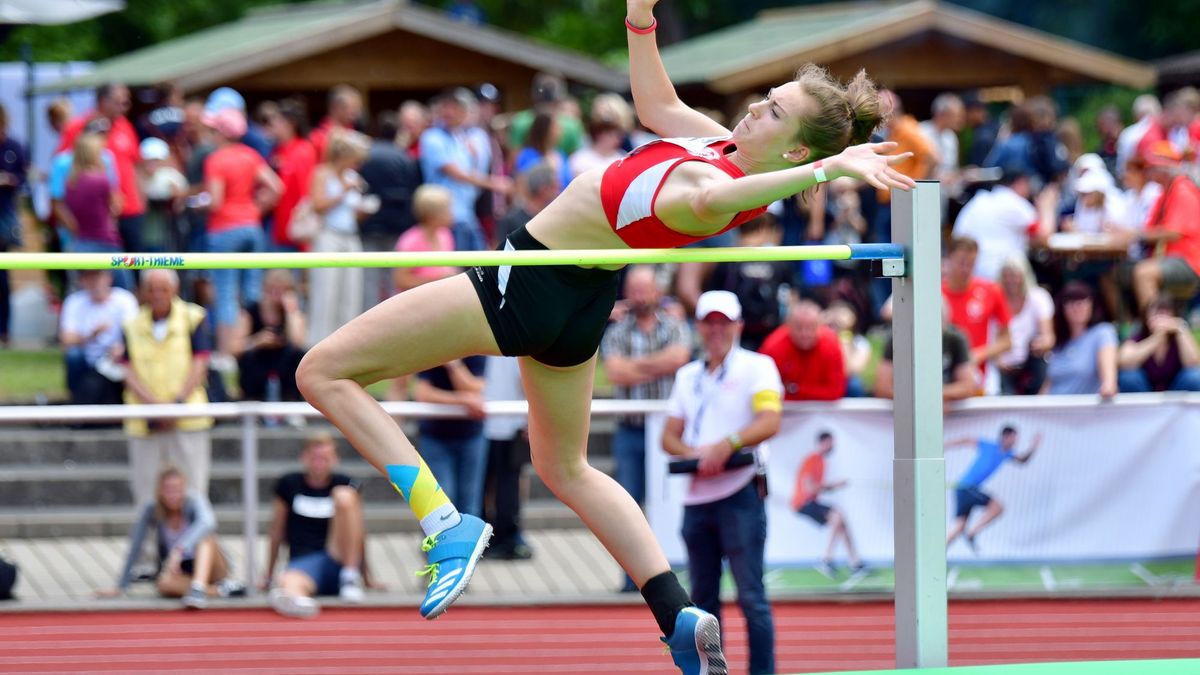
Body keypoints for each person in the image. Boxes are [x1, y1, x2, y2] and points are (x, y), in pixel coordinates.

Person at [294, 0, 911, 669]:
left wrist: (829, 170)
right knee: (565, 466)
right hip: (581, 300)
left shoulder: (715, 184)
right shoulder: (722, 146)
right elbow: (657, 105)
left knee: (321, 372)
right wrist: (639, 18)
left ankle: (444, 523)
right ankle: (677, 612)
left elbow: (710, 200)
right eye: (766, 97)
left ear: (793, 149)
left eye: (772, 110)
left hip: (524, 281)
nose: (756, 107)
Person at [661, 291, 782, 675]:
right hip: (698, 498)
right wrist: (699, 454)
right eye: (709, 322)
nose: (716, 330)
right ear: (698, 327)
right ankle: (713, 671)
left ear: (739, 326)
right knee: (702, 602)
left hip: (740, 493)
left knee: (752, 596)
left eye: (724, 322)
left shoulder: (758, 366)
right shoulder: (688, 375)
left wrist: (725, 446)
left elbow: (769, 421)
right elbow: (669, 437)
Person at [600, 264, 692, 591]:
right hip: (630, 430)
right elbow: (615, 372)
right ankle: (632, 579)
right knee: (628, 505)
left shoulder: (674, 325)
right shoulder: (617, 331)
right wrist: (657, 365)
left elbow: (680, 358)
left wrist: (635, 367)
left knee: (668, 501)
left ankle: (673, 571)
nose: (640, 296)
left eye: (645, 289)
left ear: (657, 291)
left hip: (666, 433)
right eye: (634, 289)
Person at [120, 269, 214, 507]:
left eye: (163, 288)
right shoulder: (131, 324)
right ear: (143, 292)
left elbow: (200, 364)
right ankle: (149, 545)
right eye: (151, 289)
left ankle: (196, 543)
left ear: (175, 289)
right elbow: (127, 370)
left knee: (194, 491)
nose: (157, 294)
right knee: (146, 493)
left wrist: (177, 404)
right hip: (145, 418)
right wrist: (154, 406)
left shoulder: (194, 317)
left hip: (187, 417)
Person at [202, 107, 283, 362]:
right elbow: (276, 188)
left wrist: (194, 203)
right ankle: (257, 348)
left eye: (213, 130)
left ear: (221, 134)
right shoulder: (251, 155)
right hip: (252, 228)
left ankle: (227, 355)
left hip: (224, 230)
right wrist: (255, 210)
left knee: (225, 292)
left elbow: (214, 202)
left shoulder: (216, 159)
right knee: (252, 293)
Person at [98, 467, 241, 608]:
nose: (173, 494)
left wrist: (180, 549)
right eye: (168, 489)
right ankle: (219, 590)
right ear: (160, 491)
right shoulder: (152, 509)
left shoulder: (194, 501)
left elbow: (208, 522)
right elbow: (136, 545)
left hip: (211, 564)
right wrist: (121, 585)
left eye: (177, 489)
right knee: (163, 584)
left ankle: (198, 588)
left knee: (204, 537)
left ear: (184, 489)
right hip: (183, 570)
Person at [264, 434, 369, 618]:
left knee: (344, 495)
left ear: (335, 460)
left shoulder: (345, 483)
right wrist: (268, 575)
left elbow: (358, 531)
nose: (319, 463)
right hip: (305, 561)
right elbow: (276, 530)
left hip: (338, 556)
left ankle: (350, 578)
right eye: (315, 458)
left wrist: (367, 577)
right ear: (304, 457)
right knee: (288, 582)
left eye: (325, 458)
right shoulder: (289, 484)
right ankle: (299, 599)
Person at [56, 83, 146, 254]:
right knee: (98, 274)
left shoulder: (125, 126)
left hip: (130, 210)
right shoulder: (77, 128)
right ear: (104, 101)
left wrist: (142, 202)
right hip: (94, 221)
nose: (126, 107)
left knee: (133, 268)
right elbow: (62, 169)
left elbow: (136, 166)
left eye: (127, 102)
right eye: (121, 102)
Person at [420, 88, 511, 252]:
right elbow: (455, 172)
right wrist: (494, 183)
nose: (450, 112)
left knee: (480, 268)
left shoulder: (464, 137)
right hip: (445, 219)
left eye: (456, 108)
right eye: (447, 107)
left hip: (467, 214)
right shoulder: (432, 137)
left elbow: (472, 170)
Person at [306, 130, 372, 347]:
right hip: (328, 236)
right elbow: (318, 206)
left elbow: (353, 213)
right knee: (326, 293)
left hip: (350, 237)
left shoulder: (353, 177)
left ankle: (347, 346)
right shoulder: (322, 173)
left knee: (350, 293)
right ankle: (318, 344)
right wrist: (343, 190)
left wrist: (364, 209)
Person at [360, 109, 422, 309]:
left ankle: (367, 320)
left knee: (369, 277)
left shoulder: (367, 154)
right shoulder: (404, 157)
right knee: (392, 277)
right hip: (397, 224)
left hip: (369, 224)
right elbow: (414, 191)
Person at [945, 426, 1040, 553]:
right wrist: (944, 445)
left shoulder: (1008, 454)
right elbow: (966, 440)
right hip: (966, 487)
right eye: (1013, 438)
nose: (1015, 442)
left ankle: (937, 555)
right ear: (1004, 437)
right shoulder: (988, 445)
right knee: (998, 508)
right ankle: (972, 533)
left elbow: (1023, 460)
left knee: (959, 527)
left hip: (963, 489)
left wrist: (1033, 446)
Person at [1130, 141, 1200, 313]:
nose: (1147, 172)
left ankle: (1157, 328)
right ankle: (1139, 325)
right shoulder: (1164, 192)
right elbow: (1150, 228)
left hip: (1189, 261)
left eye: (1151, 167)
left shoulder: (1183, 189)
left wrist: (1136, 234)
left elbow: (1172, 232)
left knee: (1143, 273)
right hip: (1171, 257)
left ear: (1163, 169)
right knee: (1119, 271)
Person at [62, 131, 132, 290]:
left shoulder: (70, 182)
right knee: (124, 290)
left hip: (81, 243)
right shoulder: (100, 180)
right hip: (105, 242)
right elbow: (116, 207)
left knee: (85, 295)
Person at [480, 355, 533, 560]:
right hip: (499, 420)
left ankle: (504, 536)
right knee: (506, 483)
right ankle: (505, 536)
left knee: (504, 484)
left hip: (500, 421)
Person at [942, 237, 1012, 389]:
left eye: (971, 264)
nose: (965, 269)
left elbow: (1007, 340)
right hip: (944, 375)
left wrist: (977, 355)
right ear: (949, 258)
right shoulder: (936, 293)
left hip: (981, 379)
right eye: (961, 262)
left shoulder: (991, 291)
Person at [875, 301, 978, 404]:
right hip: (908, 410)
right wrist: (933, 399)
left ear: (945, 324)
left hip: (945, 411)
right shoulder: (898, 338)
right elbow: (882, 388)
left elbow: (968, 387)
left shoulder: (955, 339)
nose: (929, 333)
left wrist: (933, 398)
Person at [791, 431, 864, 578]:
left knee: (841, 521)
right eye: (830, 443)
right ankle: (826, 559)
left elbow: (817, 487)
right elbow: (809, 488)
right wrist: (834, 485)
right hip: (803, 503)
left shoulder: (821, 461)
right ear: (823, 443)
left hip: (811, 501)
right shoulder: (812, 460)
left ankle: (855, 563)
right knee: (838, 516)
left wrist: (834, 486)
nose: (833, 446)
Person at [60, 269, 138, 405]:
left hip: (116, 358)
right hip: (88, 358)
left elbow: (136, 333)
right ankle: (77, 402)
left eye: (97, 276)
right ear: (82, 280)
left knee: (133, 354)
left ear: (109, 277)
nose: (94, 282)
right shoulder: (74, 301)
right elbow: (66, 339)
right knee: (73, 355)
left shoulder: (124, 299)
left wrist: (122, 349)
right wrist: (91, 335)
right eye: (89, 277)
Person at [232, 269, 307, 402]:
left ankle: (291, 399)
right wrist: (257, 341)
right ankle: (252, 399)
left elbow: (298, 343)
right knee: (247, 357)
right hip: (258, 359)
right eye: (272, 290)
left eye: (282, 291)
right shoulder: (250, 311)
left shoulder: (292, 312)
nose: (276, 295)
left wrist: (290, 311)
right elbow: (234, 349)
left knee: (298, 355)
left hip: (283, 362)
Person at [1041, 281, 1118, 397]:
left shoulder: (1102, 333)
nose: (1077, 307)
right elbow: (1048, 385)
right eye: (1071, 302)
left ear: (1092, 305)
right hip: (1053, 410)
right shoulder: (1059, 342)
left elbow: (1109, 379)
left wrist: (1108, 385)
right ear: (1062, 308)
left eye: (1082, 302)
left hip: (1081, 412)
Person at [759, 298, 847, 400]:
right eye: (799, 327)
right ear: (788, 326)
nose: (805, 334)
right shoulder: (773, 346)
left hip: (823, 411)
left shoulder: (831, 345)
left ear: (820, 326)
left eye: (811, 327)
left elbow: (835, 391)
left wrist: (795, 389)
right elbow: (763, 388)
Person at [995, 254, 1055, 395]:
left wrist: (1038, 344)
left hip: (1029, 363)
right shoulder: (995, 300)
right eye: (1007, 276)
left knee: (1043, 361)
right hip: (1001, 365)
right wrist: (998, 360)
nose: (1011, 281)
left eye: (1015, 275)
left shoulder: (1038, 297)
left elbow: (1048, 337)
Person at [264, 98, 318, 252]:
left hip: (294, 230)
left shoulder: (303, 150)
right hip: (277, 226)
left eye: (277, 121)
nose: (273, 125)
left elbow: (304, 191)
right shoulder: (277, 150)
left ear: (290, 124)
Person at [1117, 296, 1200, 393]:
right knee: (1128, 377)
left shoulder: (1178, 336)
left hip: (1175, 390)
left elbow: (1194, 364)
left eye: (1166, 313)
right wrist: (1157, 338)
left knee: (1194, 376)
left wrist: (1181, 329)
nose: (1161, 319)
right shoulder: (1139, 335)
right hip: (1145, 392)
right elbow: (1123, 362)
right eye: (1156, 313)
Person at [0, 103, 26, 344]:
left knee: (3, 278)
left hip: (5, 216)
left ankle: (4, 331)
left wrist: (10, 180)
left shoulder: (14, 146)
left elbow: (23, 177)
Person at [309, 85, 363, 162]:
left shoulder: (354, 133)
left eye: (357, 108)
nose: (356, 112)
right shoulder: (317, 137)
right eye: (352, 107)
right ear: (335, 107)